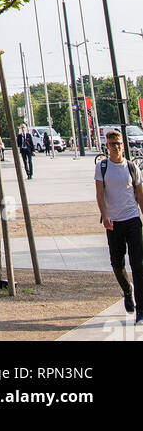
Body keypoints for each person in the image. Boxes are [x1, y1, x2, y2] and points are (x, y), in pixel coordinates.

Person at [95, 128, 143, 322]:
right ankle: (127, 290)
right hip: (113, 222)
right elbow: (99, 193)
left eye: (118, 144)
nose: (115, 147)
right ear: (106, 147)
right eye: (112, 144)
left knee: (138, 265)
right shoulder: (102, 167)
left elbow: (139, 195)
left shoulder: (132, 167)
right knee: (117, 263)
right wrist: (104, 215)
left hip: (132, 220)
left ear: (124, 146)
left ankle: (141, 309)